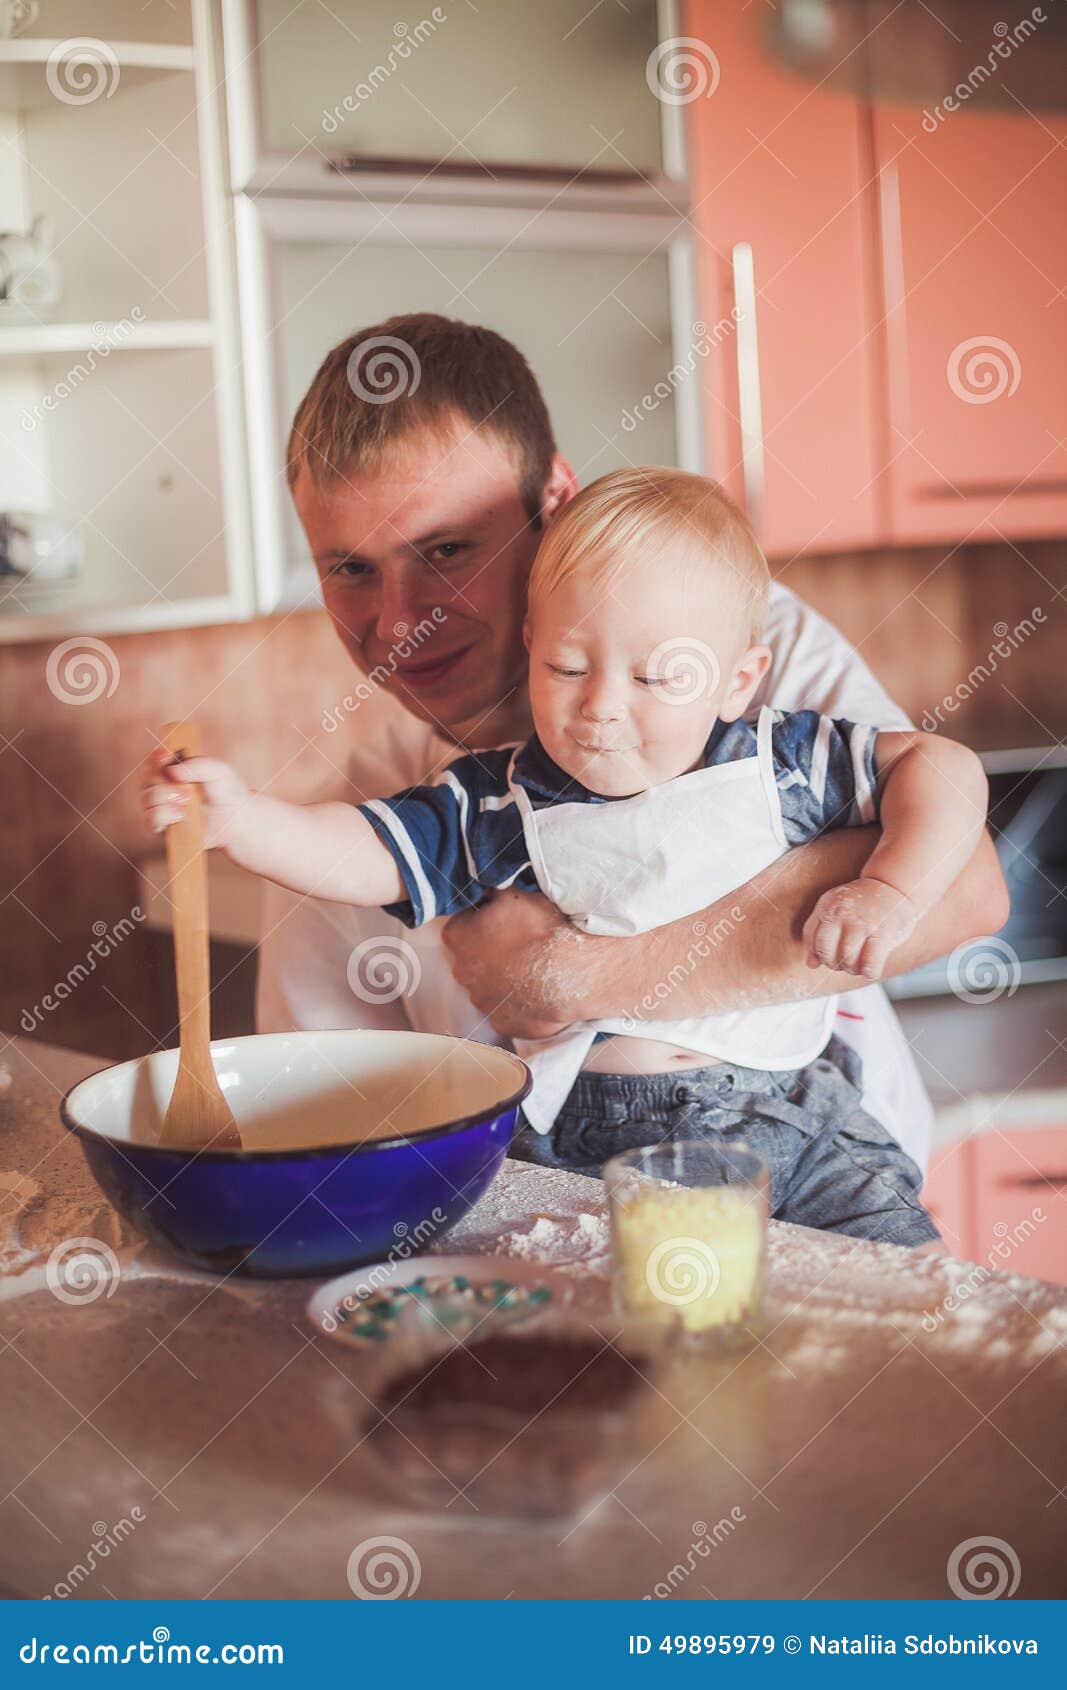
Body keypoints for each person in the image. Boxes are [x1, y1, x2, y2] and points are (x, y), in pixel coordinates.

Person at [144, 467, 989, 1245]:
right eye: (567, 665)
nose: (601, 709)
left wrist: (887, 889)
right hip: (597, 1140)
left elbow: (937, 767)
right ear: (530, 648)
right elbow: (365, 850)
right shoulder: (498, 797)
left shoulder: (784, 760)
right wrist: (243, 819)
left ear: (739, 680)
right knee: (626, 1356)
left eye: (656, 679)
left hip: (804, 1114)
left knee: (914, 1301)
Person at [253, 314, 1008, 1173]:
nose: (398, 621)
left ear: (554, 502)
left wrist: (570, 978)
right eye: (350, 568)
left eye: (446, 549)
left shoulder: (719, 652)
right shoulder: (360, 821)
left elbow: (964, 890)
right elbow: (325, 1140)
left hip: (832, 1231)